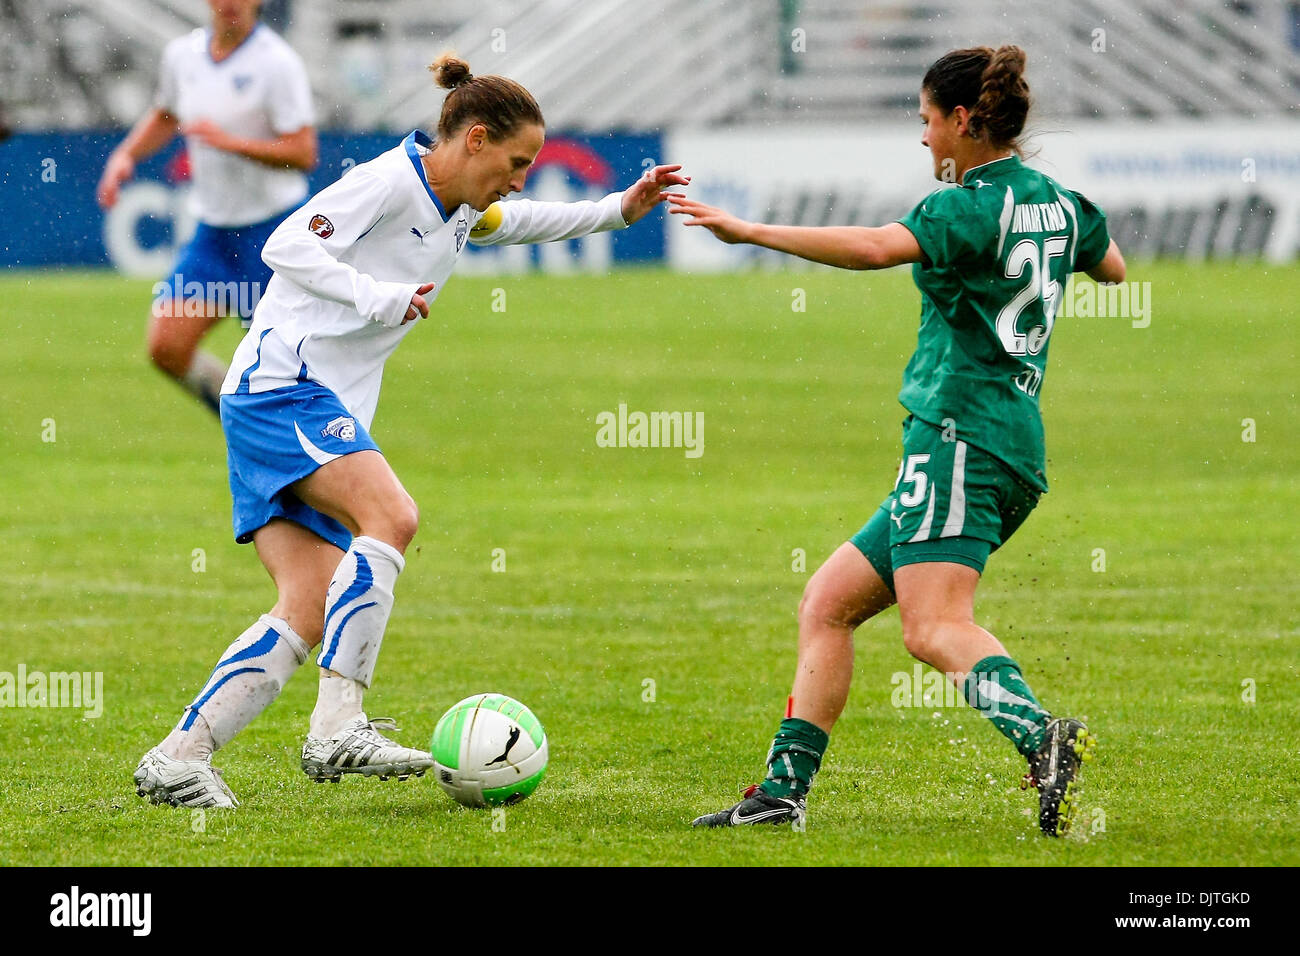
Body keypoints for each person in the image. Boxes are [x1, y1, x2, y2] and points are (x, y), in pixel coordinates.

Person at [133, 54, 691, 808]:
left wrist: (618, 209)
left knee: (308, 604)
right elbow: (287, 245)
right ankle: (337, 728)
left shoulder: (461, 206)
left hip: (298, 400)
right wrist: (375, 296)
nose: (521, 177)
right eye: (517, 161)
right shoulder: (389, 181)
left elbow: (519, 221)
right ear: (476, 139)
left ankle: (179, 757)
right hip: (282, 388)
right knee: (392, 516)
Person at [673, 46, 1124, 836]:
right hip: (1010, 441)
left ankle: (1042, 736)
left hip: (959, 438)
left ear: (962, 120)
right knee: (828, 603)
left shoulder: (963, 206)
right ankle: (781, 794)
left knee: (933, 626)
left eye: (926, 121)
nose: (923, 141)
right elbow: (1111, 265)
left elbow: (877, 248)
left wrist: (747, 232)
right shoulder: (1060, 201)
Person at [96, 0, 317, 414]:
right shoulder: (183, 56)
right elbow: (166, 114)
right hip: (214, 234)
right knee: (167, 347)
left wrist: (231, 142)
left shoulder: (277, 63)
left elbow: (303, 152)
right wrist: (125, 155)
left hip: (273, 235)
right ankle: (240, 420)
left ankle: (315, 453)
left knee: (288, 373)